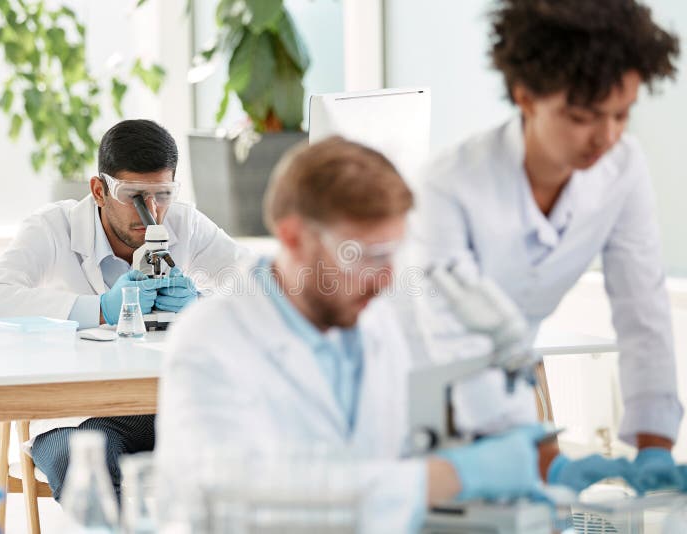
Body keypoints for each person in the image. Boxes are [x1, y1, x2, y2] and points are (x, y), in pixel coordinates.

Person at [155, 137, 556, 532]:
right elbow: (237, 499)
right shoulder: (209, 339)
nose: (386, 279)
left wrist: (536, 466)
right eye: (368, 256)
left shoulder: (372, 320)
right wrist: (450, 476)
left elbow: (384, 462)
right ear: (293, 237)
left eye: (393, 253)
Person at [415, 0, 682, 492]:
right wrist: (545, 462)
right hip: (415, 392)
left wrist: (655, 448)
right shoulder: (450, 185)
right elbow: (456, 343)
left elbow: (643, 309)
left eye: (622, 114)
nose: (606, 137)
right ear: (526, 97)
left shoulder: (622, 168)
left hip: (510, 390)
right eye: (582, 117)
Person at [0, 119, 246, 500]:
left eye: (163, 194)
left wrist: (200, 304)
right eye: (133, 195)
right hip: (79, 415)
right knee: (85, 466)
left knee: (254, 443)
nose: (152, 211)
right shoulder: (53, 228)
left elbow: (265, 288)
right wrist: (99, 309)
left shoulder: (185, 224)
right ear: (99, 191)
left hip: (167, 404)